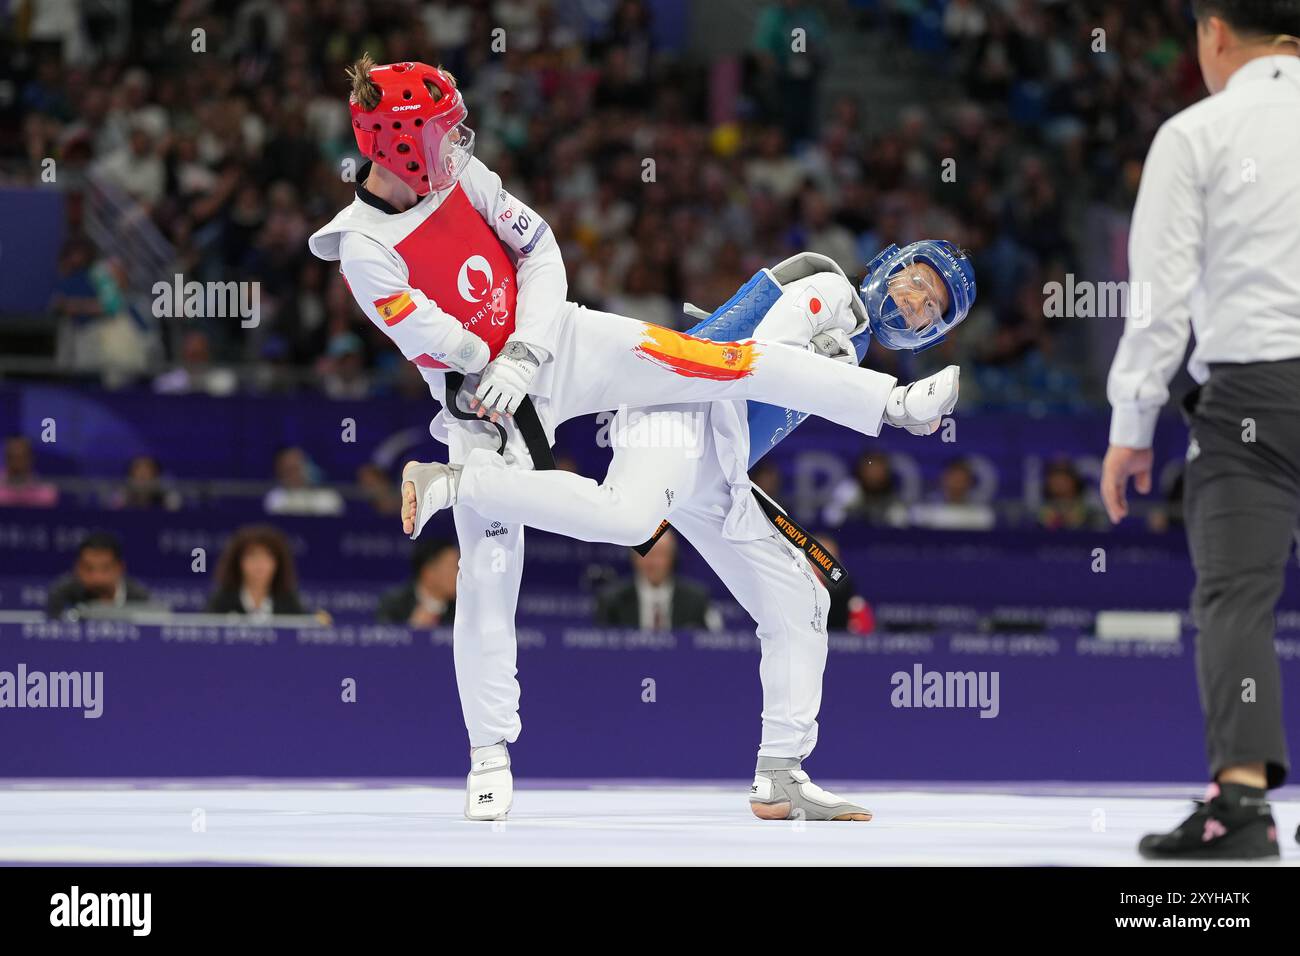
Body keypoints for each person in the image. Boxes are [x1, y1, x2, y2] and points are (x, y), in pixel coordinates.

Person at [405, 243, 973, 821]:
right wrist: (835, 366)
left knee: (801, 601)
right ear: (890, 267)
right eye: (918, 282)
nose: (916, 303)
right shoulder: (824, 284)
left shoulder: (854, 339)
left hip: (718, 464)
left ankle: (780, 772)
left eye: (931, 307)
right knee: (628, 517)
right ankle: (456, 482)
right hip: (678, 406)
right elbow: (750, 362)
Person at [1100, 0, 1300, 859]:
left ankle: (1243, 811)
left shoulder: (1196, 133)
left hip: (1255, 399)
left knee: (1237, 599)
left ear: (1214, 32)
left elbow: (1158, 299)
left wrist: (1132, 420)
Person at [594, 529, 722, 632]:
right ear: (634, 558)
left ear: (673, 557)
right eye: (646, 554)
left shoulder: (695, 598)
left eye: (660, 554)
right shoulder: (611, 599)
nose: (653, 562)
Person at [206, 525, 307, 619]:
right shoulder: (222, 601)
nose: (259, 563)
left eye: (267, 556)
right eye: (252, 555)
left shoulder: (289, 602)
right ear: (237, 562)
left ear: (278, 563)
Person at [46, 532, 151, 618]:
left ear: (120, 568)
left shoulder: (140, 597)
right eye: (88, 568)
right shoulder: (61, 594)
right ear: (77, 568)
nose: (97, 578)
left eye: (105, 568)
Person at [376, 538, 458, 627]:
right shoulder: (393, 604)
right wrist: (412, 630)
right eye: (453, 566)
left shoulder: (463, 609)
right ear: (428, 572)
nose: (459, 573)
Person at [0, 436, 59, 509]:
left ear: (31, 458)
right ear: (6, 458)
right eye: (12, 457)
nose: (17, 462)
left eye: (21, 457)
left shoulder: (46, 494)